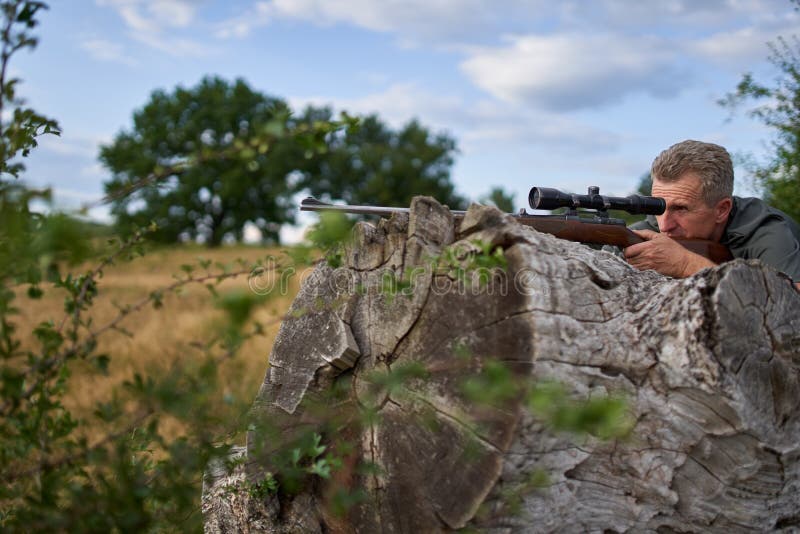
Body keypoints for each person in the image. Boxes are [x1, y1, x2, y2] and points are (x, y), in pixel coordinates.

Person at [623, 140, 800, 290]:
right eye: (658, 206)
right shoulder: (647, 230)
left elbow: (792, 301)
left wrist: (685, 264)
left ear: (722, 210)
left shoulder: (764, 229)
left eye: (681, 209)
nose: (664, 226)